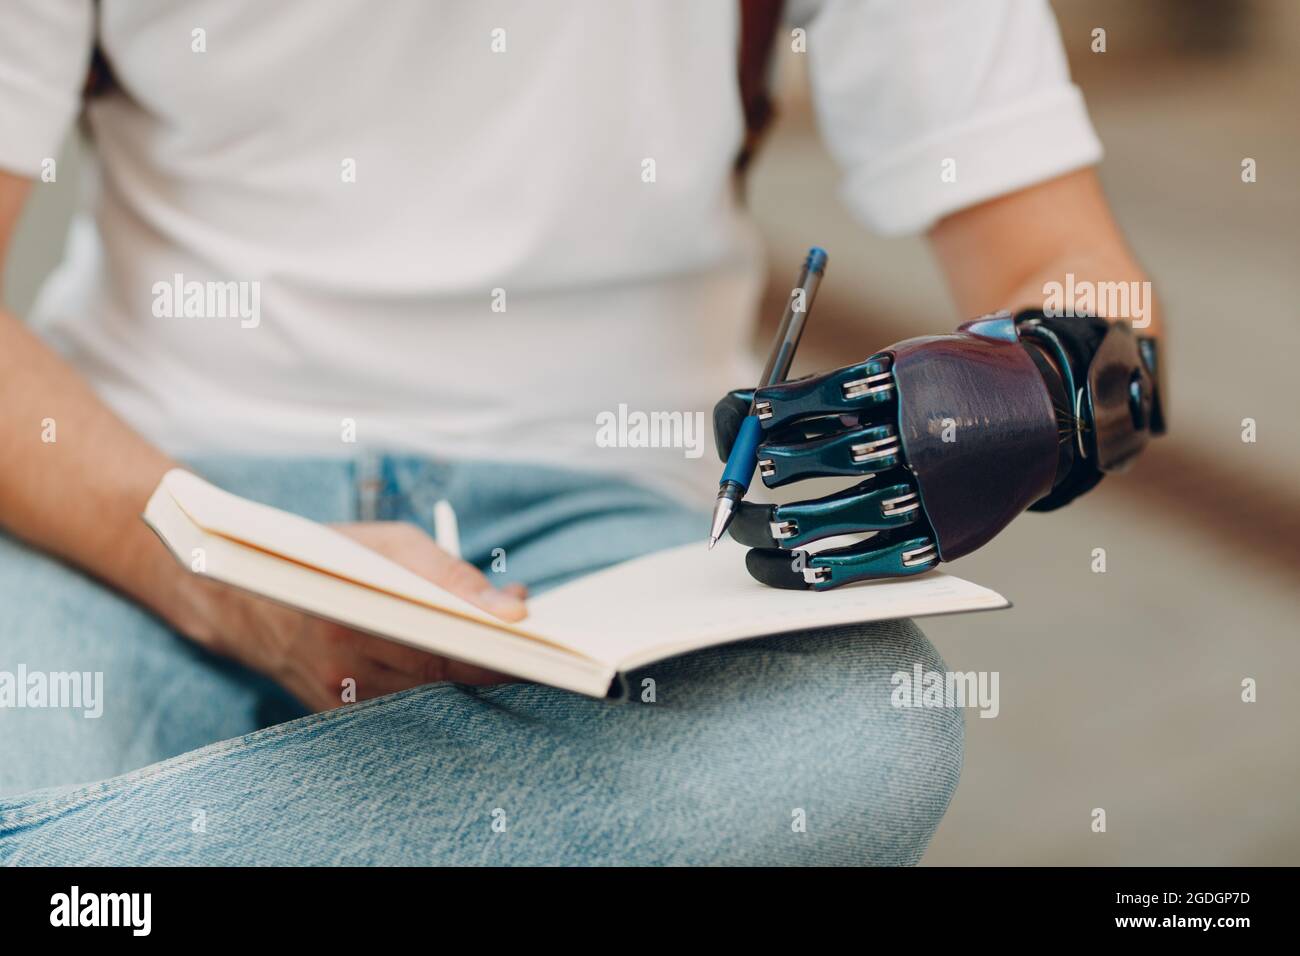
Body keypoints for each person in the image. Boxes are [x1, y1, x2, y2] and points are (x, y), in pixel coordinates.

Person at [0, 0, 1158, 865]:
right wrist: (218, 572)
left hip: (612, 528)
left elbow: (1072, 274)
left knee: (860, 738)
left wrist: (1033, 387)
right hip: (146, 494)